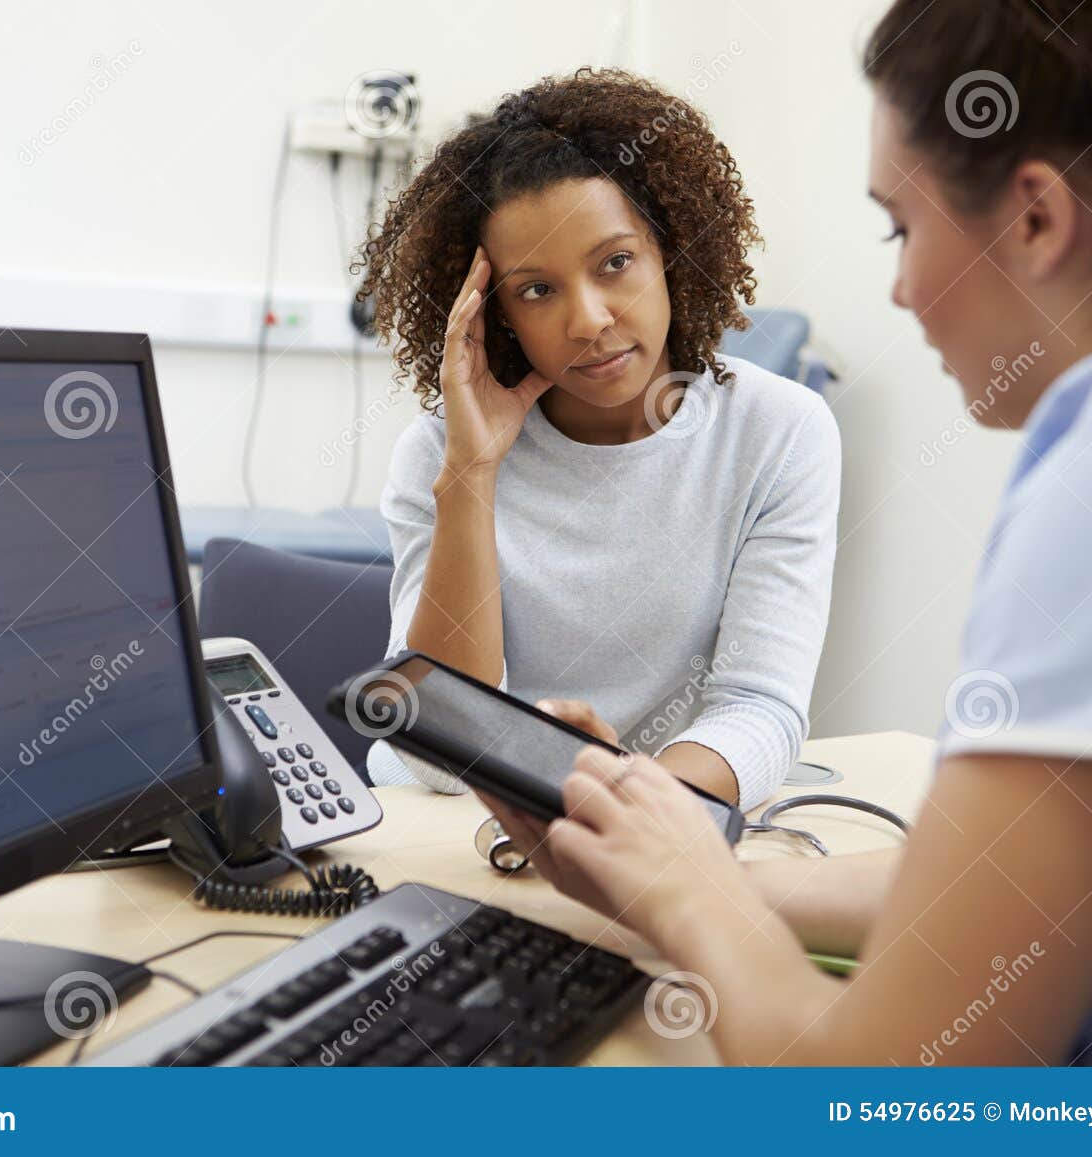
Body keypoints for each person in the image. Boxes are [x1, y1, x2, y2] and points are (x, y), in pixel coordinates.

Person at [485, 0, 1092, 1065]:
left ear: (1035, 217)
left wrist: (681, 888)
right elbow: (1010, 897)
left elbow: (880, 1099)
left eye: (901, 224)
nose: (900, 287)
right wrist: (698, 867)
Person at [354, 69, 841, 810]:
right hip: (450, 828)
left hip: (657, 818)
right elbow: (445, 759)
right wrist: (471, 475)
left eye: (615, 263)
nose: (588, 320)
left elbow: (758, 709)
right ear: (493, 313)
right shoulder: (441, 452)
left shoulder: (780, 433)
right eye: (537, 290)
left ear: (671, 253)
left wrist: (620, 814)